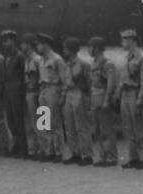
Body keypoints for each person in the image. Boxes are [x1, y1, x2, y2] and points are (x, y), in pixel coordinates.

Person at [118, 29, 143, 169]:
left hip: (135, 93)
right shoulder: (127, 58)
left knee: (139, 127)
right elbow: (123, 79)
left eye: (125, 40)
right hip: (125, 94)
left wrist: (140, 98)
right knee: (128, 128)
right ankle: (134, 158)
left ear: (133, 40)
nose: (122, 42)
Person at [34, 33, 68, 162]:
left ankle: (59, 152)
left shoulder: (57, 59)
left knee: (54, 123)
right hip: (43, 90)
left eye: (39, 44)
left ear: (46, 44)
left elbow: (64, 80)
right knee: (44, 122)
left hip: (53, 89)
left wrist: (62, 95)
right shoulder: (41, 60)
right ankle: (49, 151)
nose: (38, 47)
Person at [62, 36, 95, 166]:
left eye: (66, 48)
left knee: (82, 126)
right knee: (69, 126)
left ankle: (87, 155)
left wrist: (87, 99)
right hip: (69, 93)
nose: (64, 50)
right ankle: (75, 153)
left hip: (79, 93)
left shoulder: (83, 64)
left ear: (72, 50)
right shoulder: (67, 65)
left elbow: (89, 83)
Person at [88, 36, 120, 166]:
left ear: (96, 48)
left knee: (106, 129)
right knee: (97, 130)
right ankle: (102, 156)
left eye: (90, 47)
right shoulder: (94, 63)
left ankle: (111, 157)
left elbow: (111, 84)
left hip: (102, 98)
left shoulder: (107, 63)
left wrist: (107, 100)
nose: (89, 50)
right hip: (95, 99)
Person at [0, 30, 26, 157]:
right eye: (3, 41)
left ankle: (23, 147)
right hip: (8, 94)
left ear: (13, 41)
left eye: (7, 40)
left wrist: (21, 92)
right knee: (10, 120)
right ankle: (16, 144)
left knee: (19, 120)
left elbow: (23, 76)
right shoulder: (6, 57)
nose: (5, 44)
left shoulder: (19, 56)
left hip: (17, 93)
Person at [20, 33, 42, 159]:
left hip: (36, 93)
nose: (21, 47)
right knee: (29, 123)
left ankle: (43, 149)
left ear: (28, 45)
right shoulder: (27, 60)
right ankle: (33, 149)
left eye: (23, 44)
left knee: (40, 123)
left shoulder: (37, 60)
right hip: (28, 92)